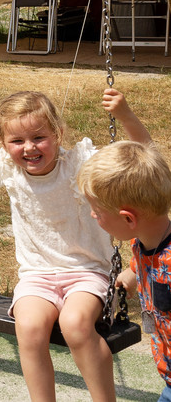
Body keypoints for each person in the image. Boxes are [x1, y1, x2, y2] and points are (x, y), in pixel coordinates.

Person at [0, 85, 151, 402]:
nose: (28, 148)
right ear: (5, 146)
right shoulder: (7, 167)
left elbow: (142, 151)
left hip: (87, 272)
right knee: (29, 328)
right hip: (37, 275)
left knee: (75, 326)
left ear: (58, 133)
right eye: (17, 141)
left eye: (38, 137)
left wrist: (123, 114)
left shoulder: (80, 163)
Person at [79, 139, 171, 402]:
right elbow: (143, 260)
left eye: (97, 211)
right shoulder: (143, 241)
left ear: (128, 218)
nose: (94, 216)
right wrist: (132, 273)